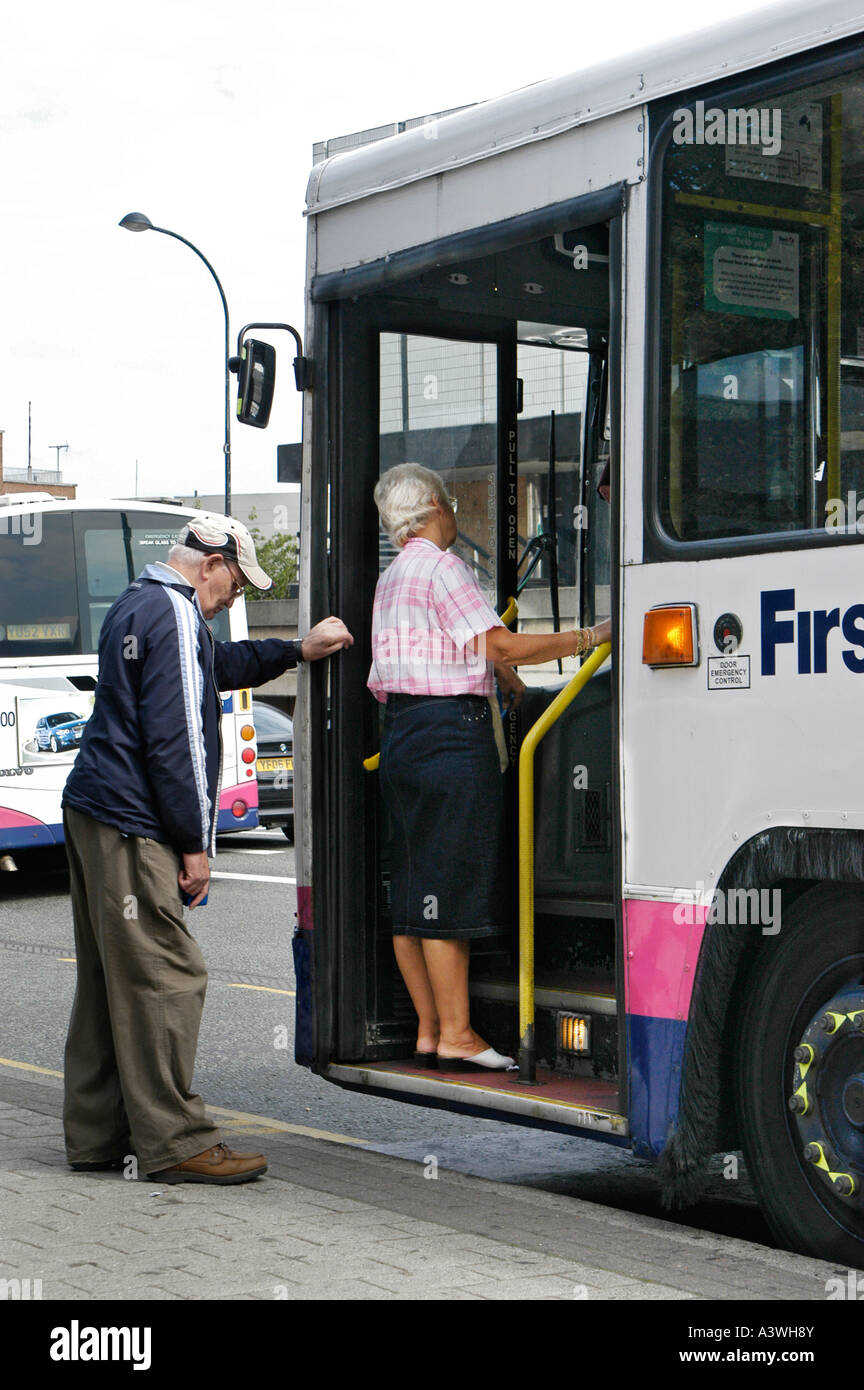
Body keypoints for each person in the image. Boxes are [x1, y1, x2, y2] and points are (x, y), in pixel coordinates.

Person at [61, 512, 352, 1184]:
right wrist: (195, 844)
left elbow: (213, 665)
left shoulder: (138, 602)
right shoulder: (173, 612)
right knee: (168, 977)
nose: (235, 598)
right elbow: (178, 743)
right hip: (133, 823)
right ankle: (176, 1142)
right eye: (236, 584)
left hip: (94, 811)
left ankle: (98, 1135)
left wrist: (292, 651)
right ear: (211, 561)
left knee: (112, 982)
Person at [369, 464, 611, 1072]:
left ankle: (428, 1028)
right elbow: (498, 643)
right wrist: (591, 636)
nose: (454, 513)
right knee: (449, 887)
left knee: (413, 889)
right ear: (431, 505)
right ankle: (457, 1032)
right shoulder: (443, 567)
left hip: (401, 736)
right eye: (449, 502)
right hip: (451, 738)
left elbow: (459, 651)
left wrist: (496, 673)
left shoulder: (392, 579)